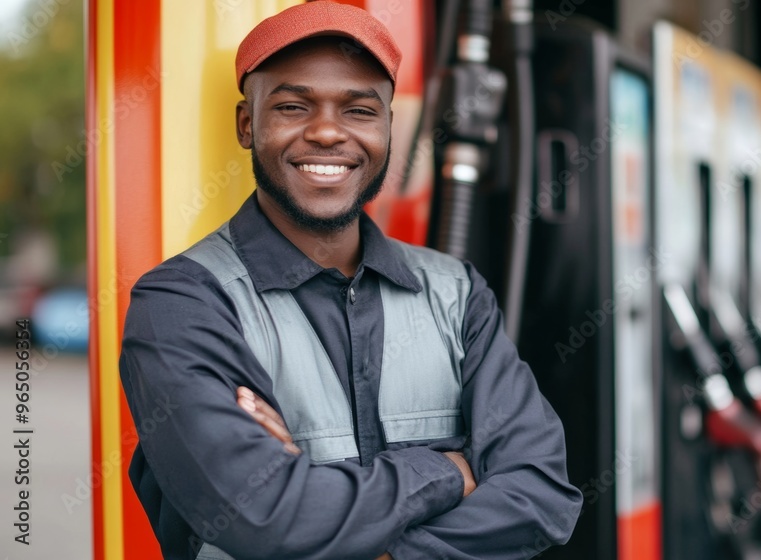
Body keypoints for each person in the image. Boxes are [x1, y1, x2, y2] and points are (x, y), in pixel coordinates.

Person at [118, 2, 582, 559]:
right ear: (247, 124)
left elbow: (543, 494)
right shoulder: (182, 303)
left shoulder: (456, 292)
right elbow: (266, 516)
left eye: (360, 110)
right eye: (292, 106)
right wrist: (446, 470)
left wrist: (371, 540)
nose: (326, 132)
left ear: (389, 127)